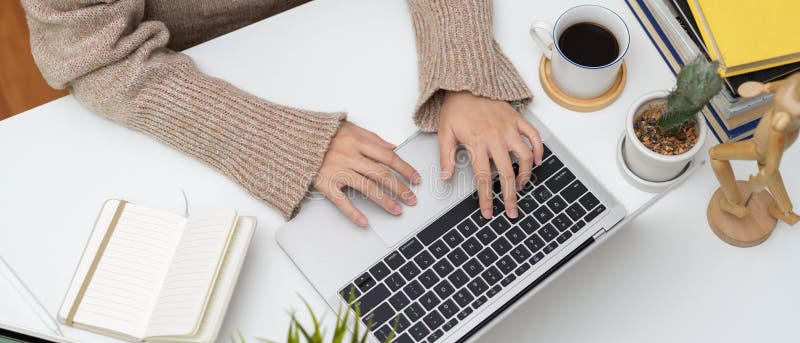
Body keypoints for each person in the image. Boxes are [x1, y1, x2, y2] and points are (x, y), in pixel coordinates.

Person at [22, 0, 542, 227]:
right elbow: (95, 51)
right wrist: (277, 144)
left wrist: (463, 68)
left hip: (350, 27)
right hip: (200, 70)